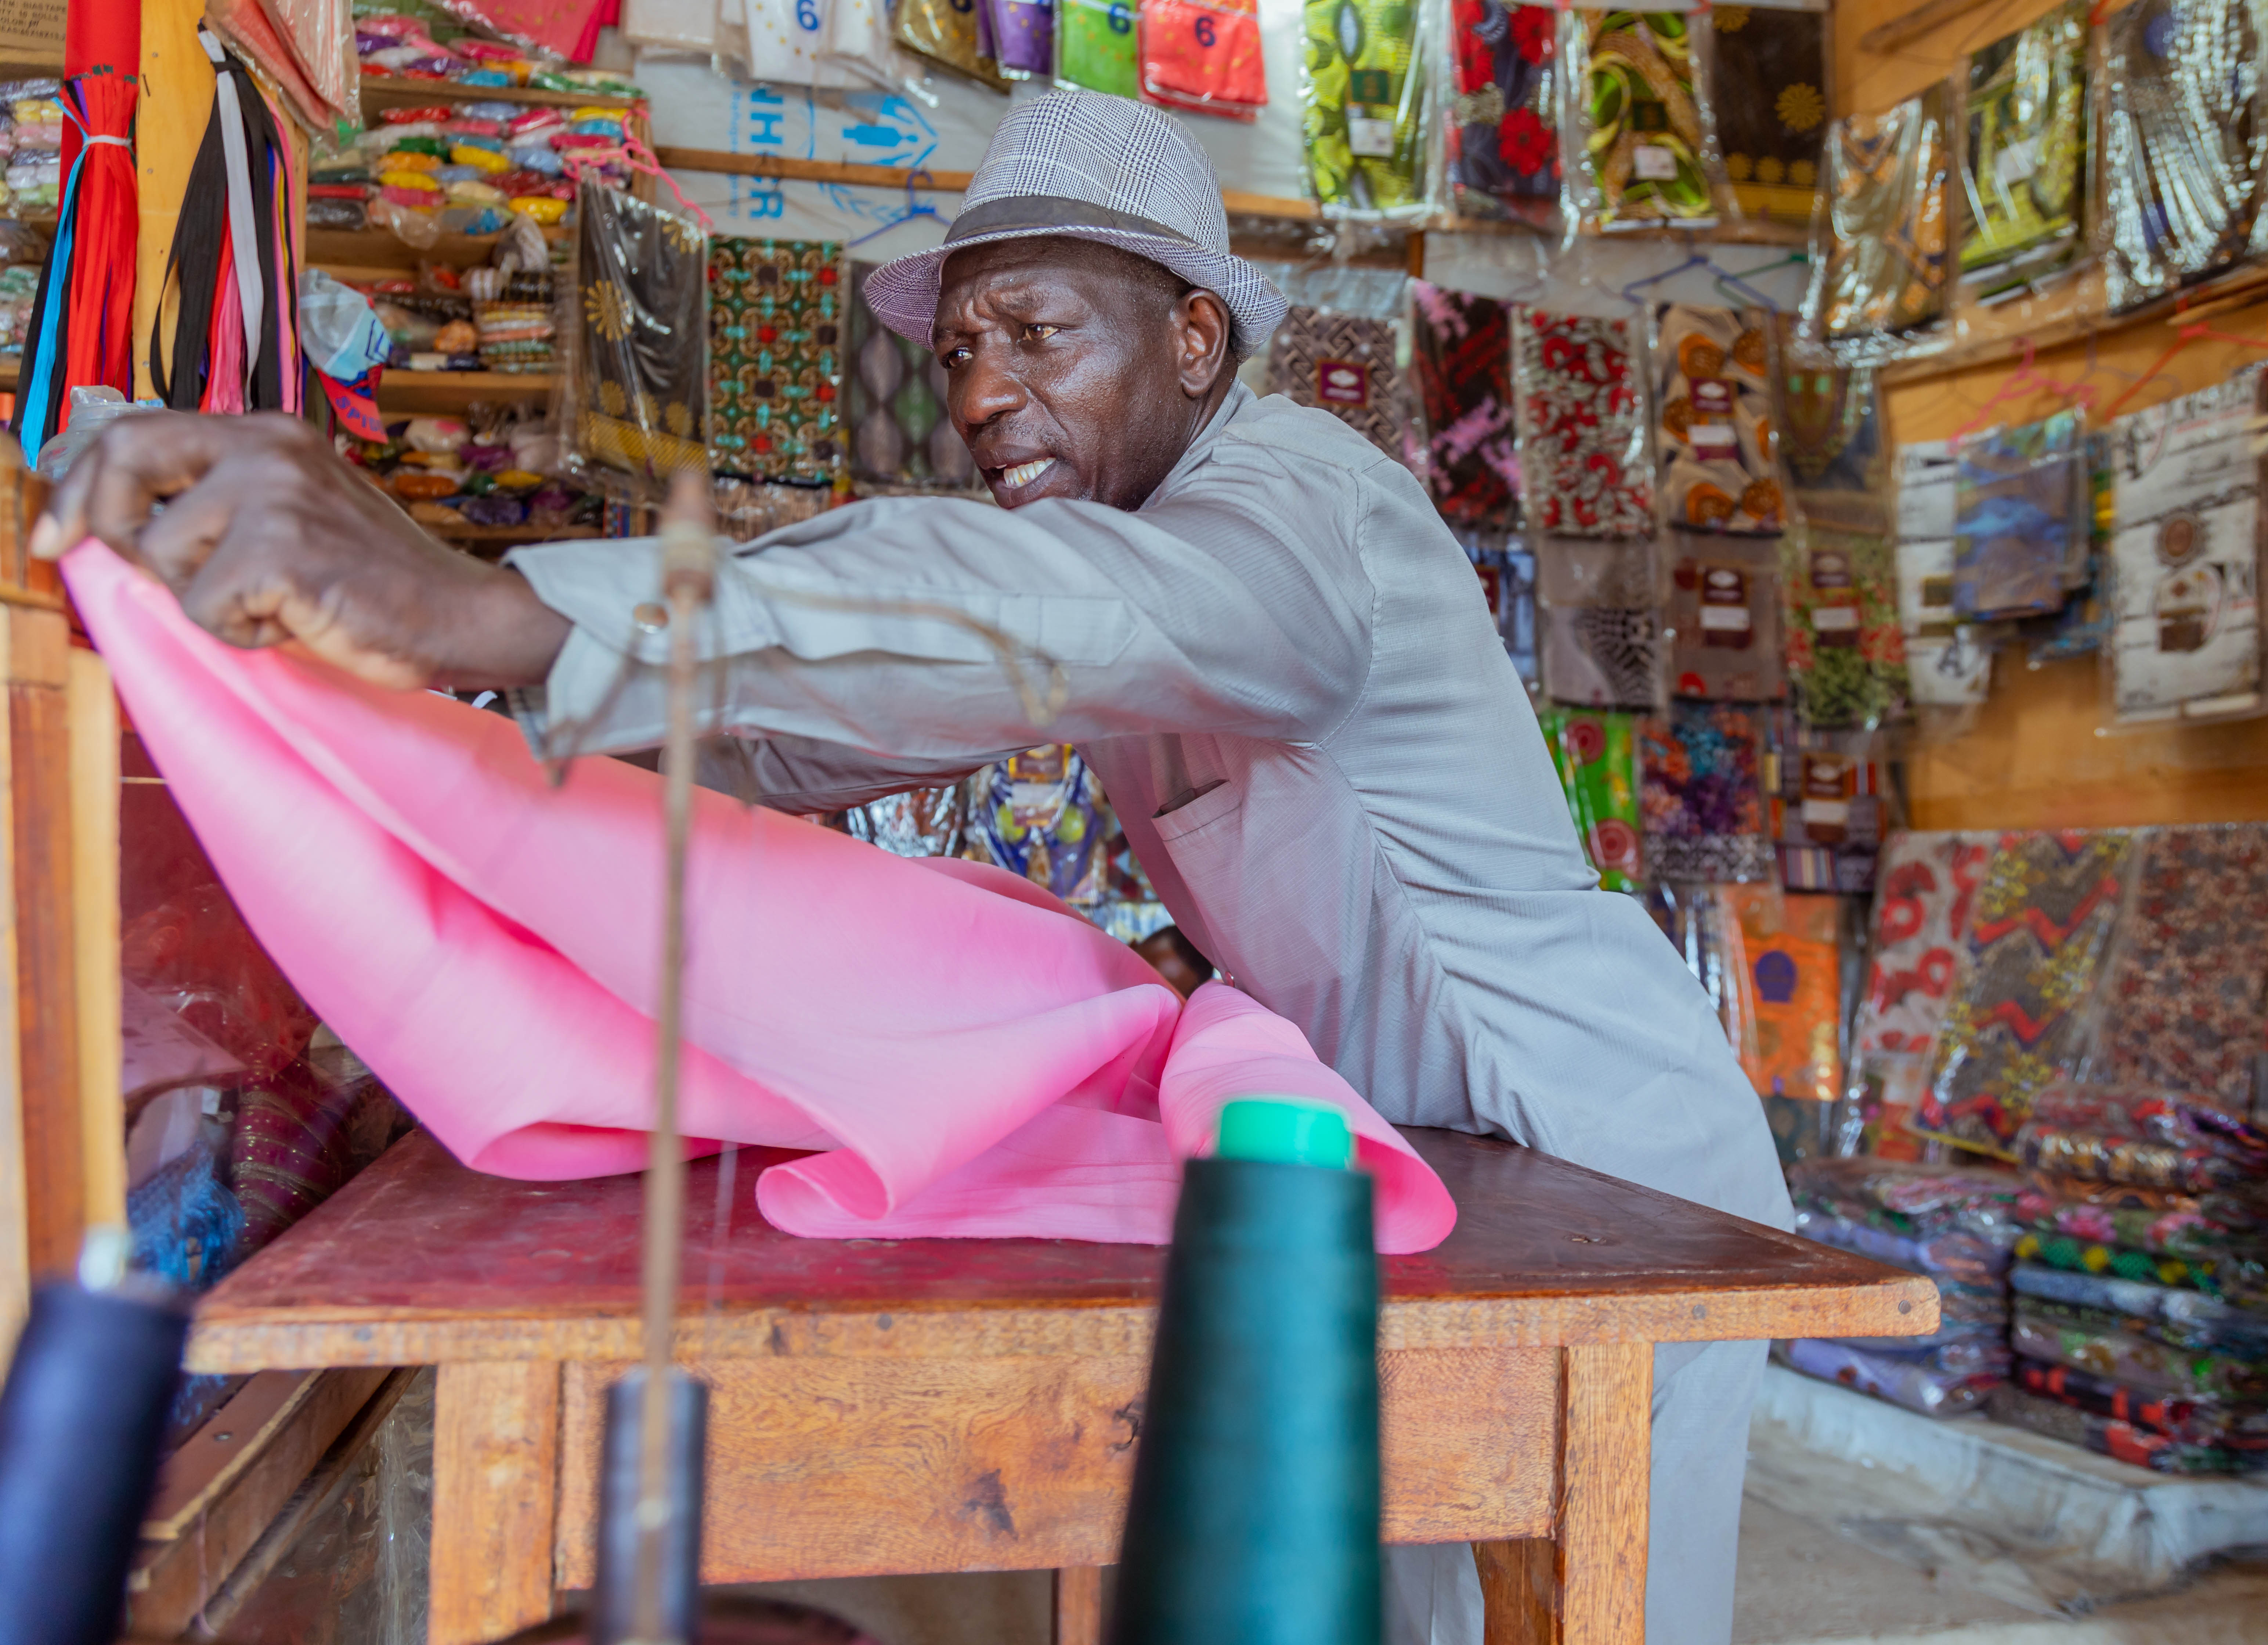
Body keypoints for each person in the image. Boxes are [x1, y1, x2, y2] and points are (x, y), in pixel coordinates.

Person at [40, 89, 1788, 1644]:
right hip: (1422, 1164)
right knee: (1384, 1584)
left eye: (1037, 331)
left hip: (1601, 1144)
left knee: (1593, 1599)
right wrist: (440, 695)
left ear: (1194, 340)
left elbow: (1062, 611)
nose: (984, 393)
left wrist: (492, 597)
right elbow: (797, 744)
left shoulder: (1294, 508)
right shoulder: (1123, 559)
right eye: (958, 349)